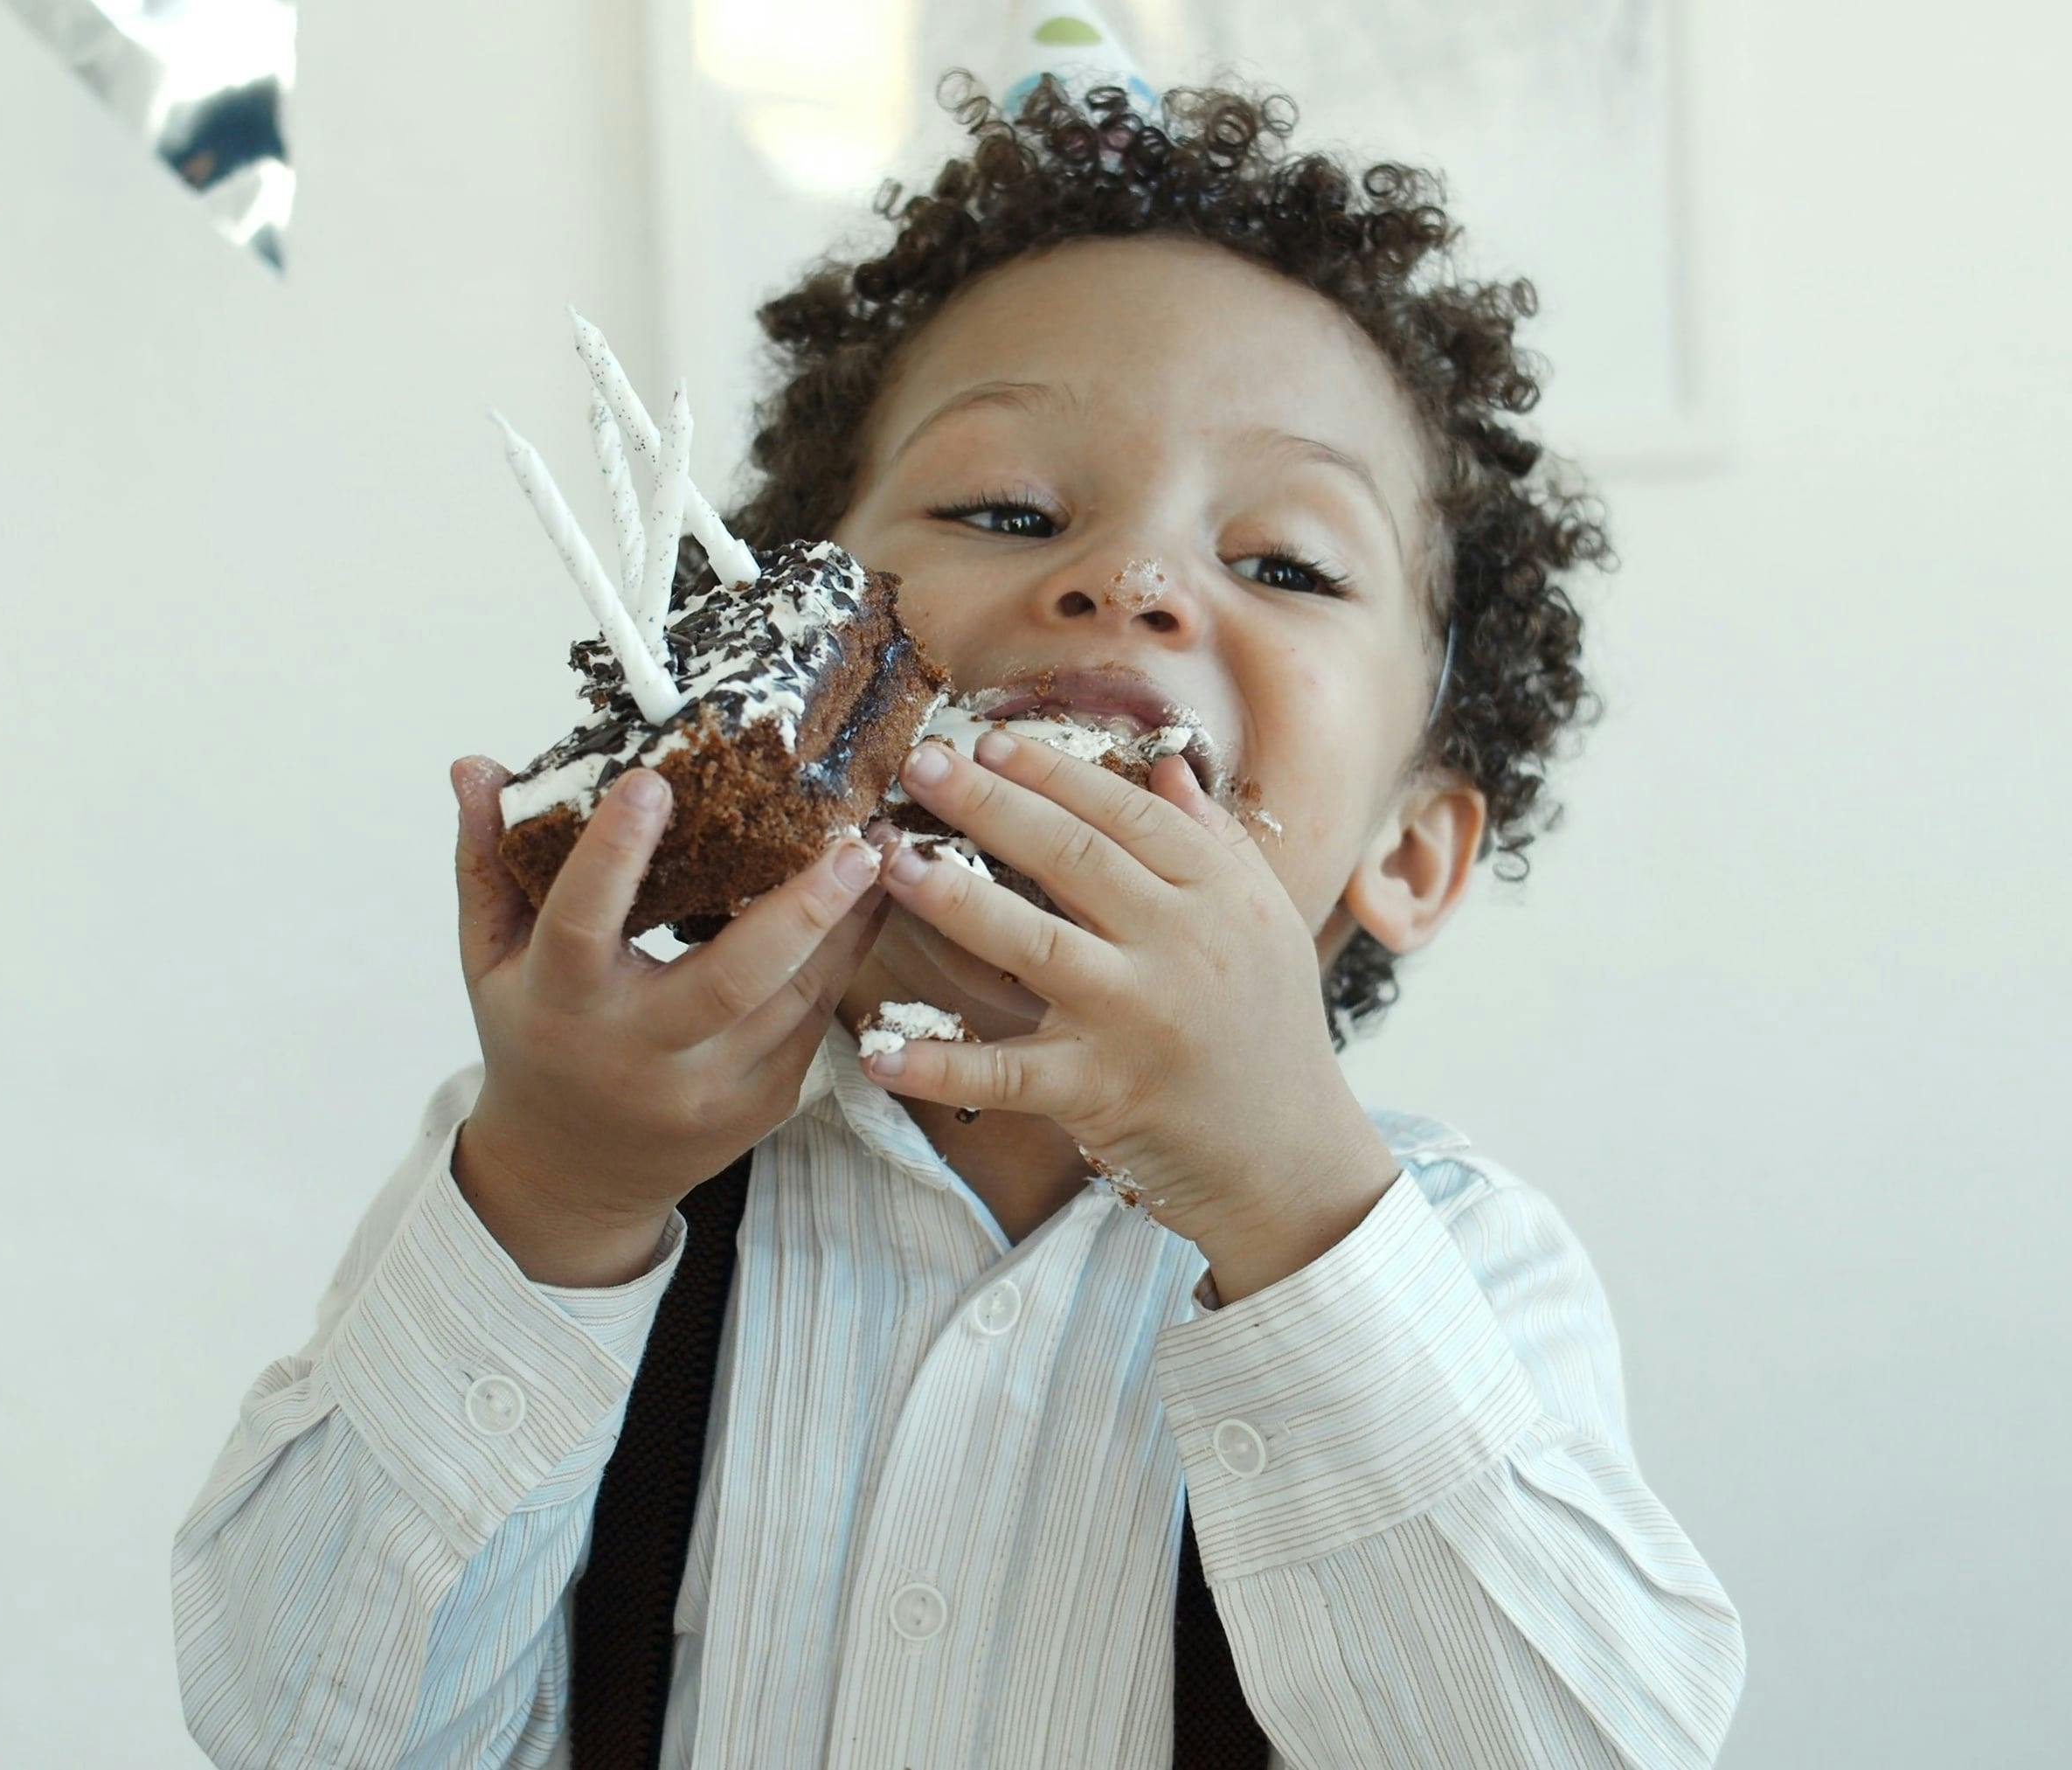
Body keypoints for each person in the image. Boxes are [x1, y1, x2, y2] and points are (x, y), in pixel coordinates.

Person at [175, 78, 1744, 1767]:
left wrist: (1288, 1193)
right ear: (801, 671)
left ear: (1414, 852)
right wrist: (552, 1200)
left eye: (1285, 563)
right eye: (1008, 513)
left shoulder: (1457, 1265)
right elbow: (301, 1729)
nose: (1132, 576)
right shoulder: (568, 1176)